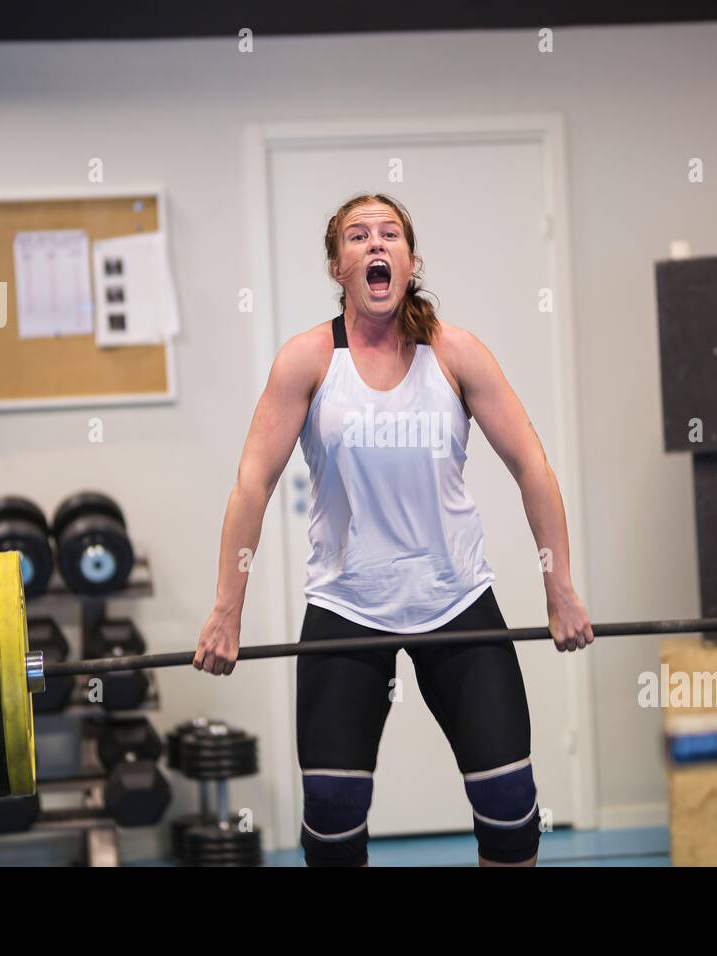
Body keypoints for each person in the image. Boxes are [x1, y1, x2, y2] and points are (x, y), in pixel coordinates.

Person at [194, 193, 593, 866]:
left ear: (409, 262)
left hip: (457, 603)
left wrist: (560, 589)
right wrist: (225, 612)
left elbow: (532, 466)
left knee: (511, 810)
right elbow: (252, 486)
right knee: (332, 822)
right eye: (358, 237)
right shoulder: (309, 361)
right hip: (347, 606)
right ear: (337, 266)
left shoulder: (455, 354)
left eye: (389, 235)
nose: (376, 245)